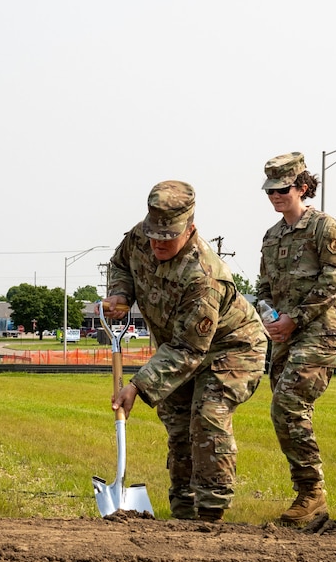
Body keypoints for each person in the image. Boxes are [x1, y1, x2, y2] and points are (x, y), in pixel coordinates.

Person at [103, 180, 269, 522]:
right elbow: (120, 263)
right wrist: (121, 294)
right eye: (154, 235)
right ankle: (183, 513)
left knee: (208, 415)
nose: (158, 243)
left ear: (190, 228)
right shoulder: (139, 238)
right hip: (177, 348)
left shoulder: (204, 276)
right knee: (178, 425)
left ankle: (210, 512)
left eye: (169, 237)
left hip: (232, 347)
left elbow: (188, 348)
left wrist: (137, 386)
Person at [256, 153, 336, 525]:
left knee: (287, 404)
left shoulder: (323, 227)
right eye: (271, 191)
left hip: (321, 331)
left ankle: (312, 493)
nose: (276, 196)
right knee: (286, 411)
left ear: (302, 187)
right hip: (284, 335)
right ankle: (311, 499)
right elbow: (263, 286)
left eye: (283, 189)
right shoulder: (272, 236)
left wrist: (295, 318)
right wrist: (271, 318)